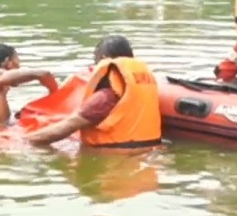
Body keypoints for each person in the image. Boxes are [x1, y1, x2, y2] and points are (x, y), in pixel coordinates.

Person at [22, 35, 162, 150]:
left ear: (103, 59)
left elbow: (67, 126)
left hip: (114, 160)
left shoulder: (105, 97)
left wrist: (24, 141)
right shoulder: (145, 81)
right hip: (147, 151)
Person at [0, 42, 58, 134]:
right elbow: (43, 74)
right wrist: (56, 94)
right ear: (8, 62)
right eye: (17, 62)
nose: (19, 67)